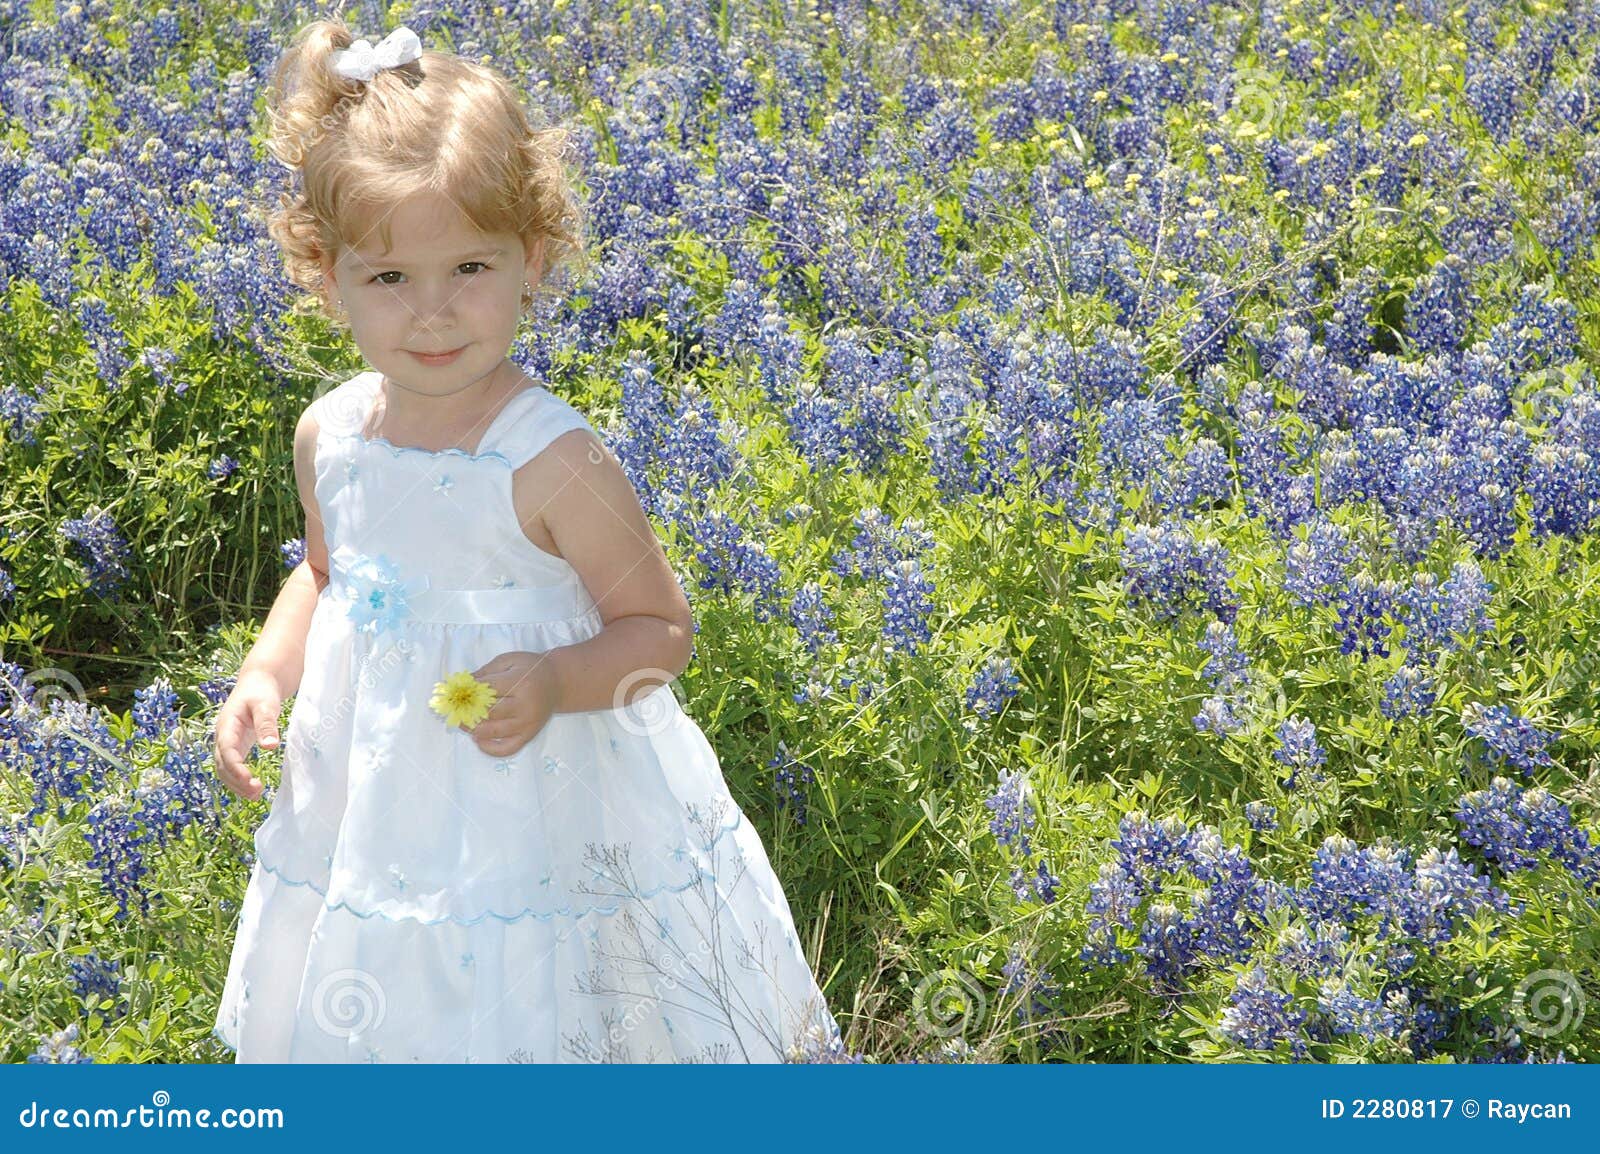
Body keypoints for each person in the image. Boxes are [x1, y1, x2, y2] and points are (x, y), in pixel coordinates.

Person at [208, 19, 841, 1063]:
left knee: (546, 995)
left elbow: (659, 629)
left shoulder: (551, 458)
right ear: (325, 277)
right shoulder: (329, 432)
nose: (434, 312)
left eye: (469, 266)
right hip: (378, 799)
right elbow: (325, 575)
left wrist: (555, 677)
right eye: (388, 278)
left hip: (547, 799)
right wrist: (267, 670)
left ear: (531, 257)